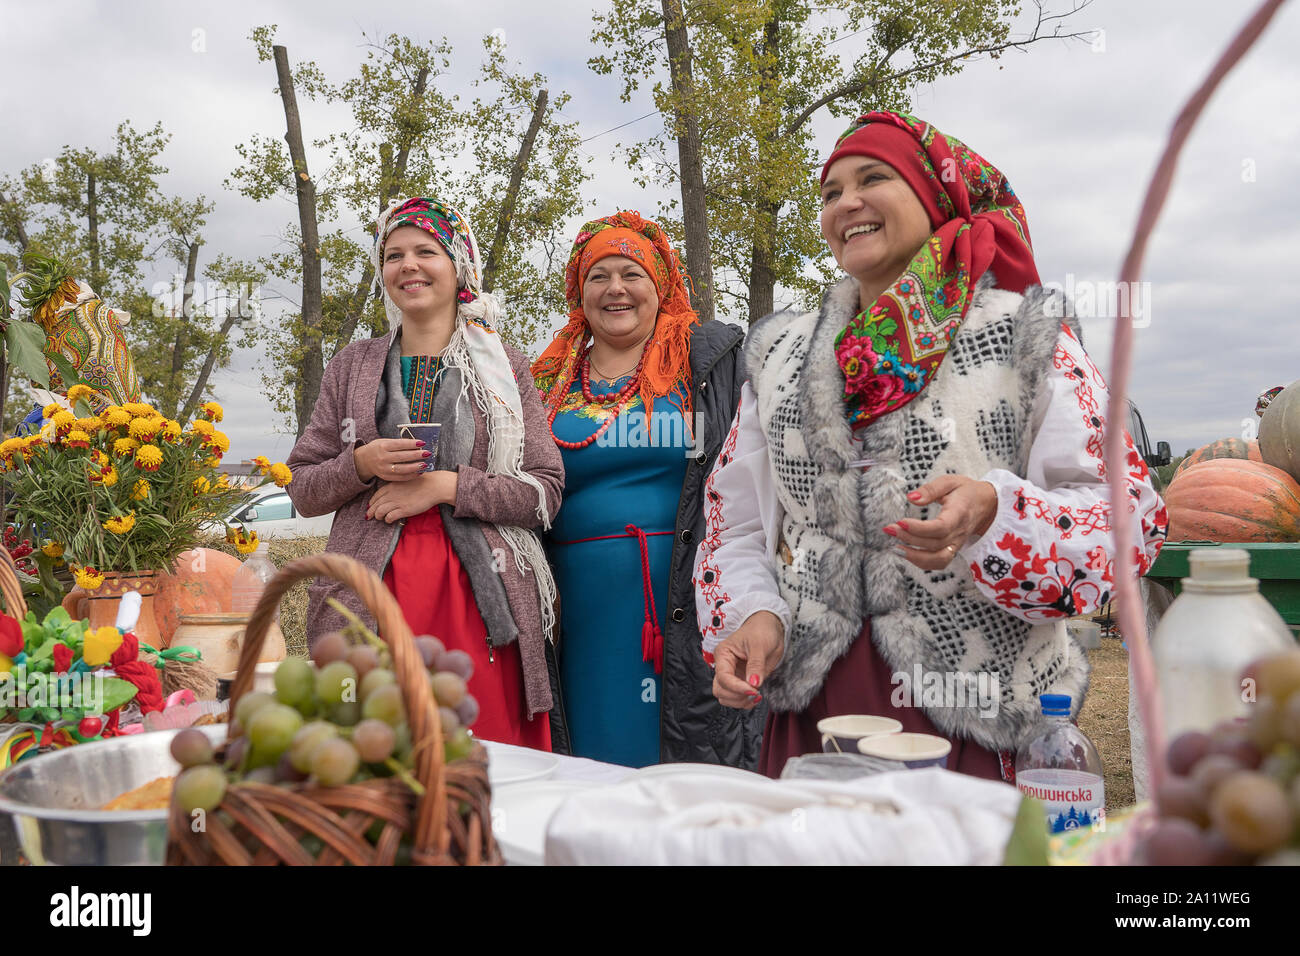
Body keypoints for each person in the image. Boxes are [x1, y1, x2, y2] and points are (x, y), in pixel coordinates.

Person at [695, 112, 1169, 780]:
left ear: (933, 200)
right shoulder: (778, 355)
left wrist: (993, 515)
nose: (846, 202)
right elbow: (734, 522)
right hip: (816, 711)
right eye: (830, 193)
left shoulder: (1024, 339)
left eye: (872, 178)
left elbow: (1129, 520)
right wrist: (755, 614)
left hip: (977, 716)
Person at [287, 197, 562, 750]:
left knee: (476, 755)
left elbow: (544, 493)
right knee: (374, 751)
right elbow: (302, 488)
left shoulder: (504, 369)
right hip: (369, 597)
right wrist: (359, 464)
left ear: (459, 264)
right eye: (393, 255)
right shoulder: (353, 366)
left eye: (425, 251)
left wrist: (448, 486)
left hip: (478, 600)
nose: (408, 265)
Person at [533, 211, 760, 768]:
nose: (615, 289)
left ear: (658, 285)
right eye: (598, 275)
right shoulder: (546, 380)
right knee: (589, 758)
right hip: (578, 606)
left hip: (688, 594)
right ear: (579, 292)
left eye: (631, 273)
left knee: (690, 761)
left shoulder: (709, 362)